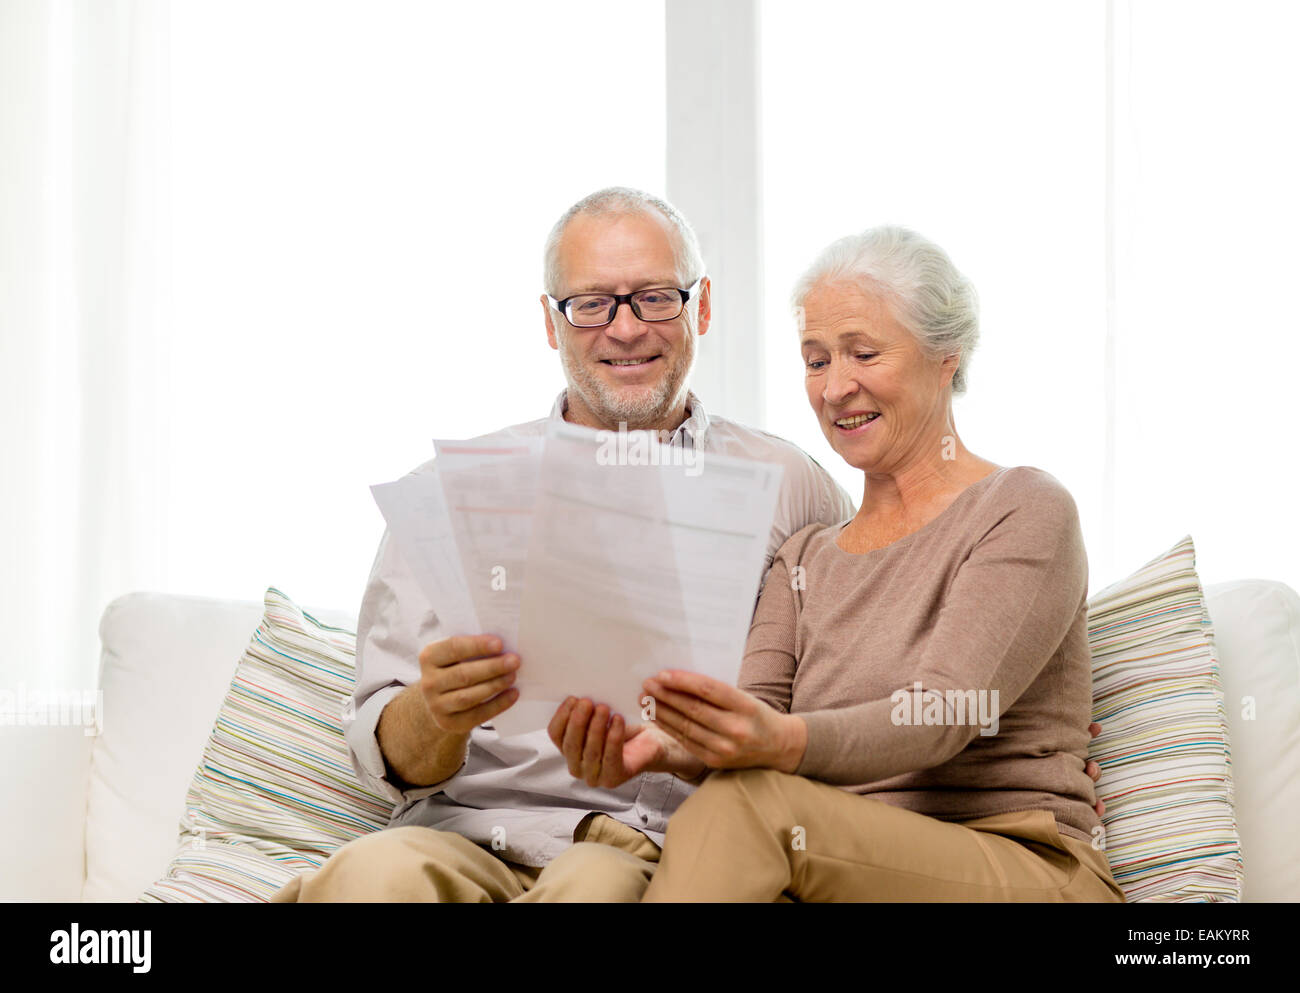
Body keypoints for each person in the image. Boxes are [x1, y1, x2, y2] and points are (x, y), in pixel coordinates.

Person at [270, 187, 858, 903]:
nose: (625, 328)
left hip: (649, 847)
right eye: (592, 304)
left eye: (654, 298)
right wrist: (438, 709)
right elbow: (386, 751)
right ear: (552, 324)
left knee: (594, 883)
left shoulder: (791, 487)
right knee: (372, 875)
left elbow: (835, 712)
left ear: (701, 307)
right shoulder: (454, 490)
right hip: (467, 831)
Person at [551, 225, 1123, 902]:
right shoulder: (804, 557)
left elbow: (943, 712)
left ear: (947, 355)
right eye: (816, 360)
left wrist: (781, 741)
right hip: (834, 865)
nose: (836, 386)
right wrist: (658, 750)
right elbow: (752, 719)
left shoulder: (1022, 507)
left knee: (750, 803)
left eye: (864, 353)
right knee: (671, 830)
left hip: (1014, 859)